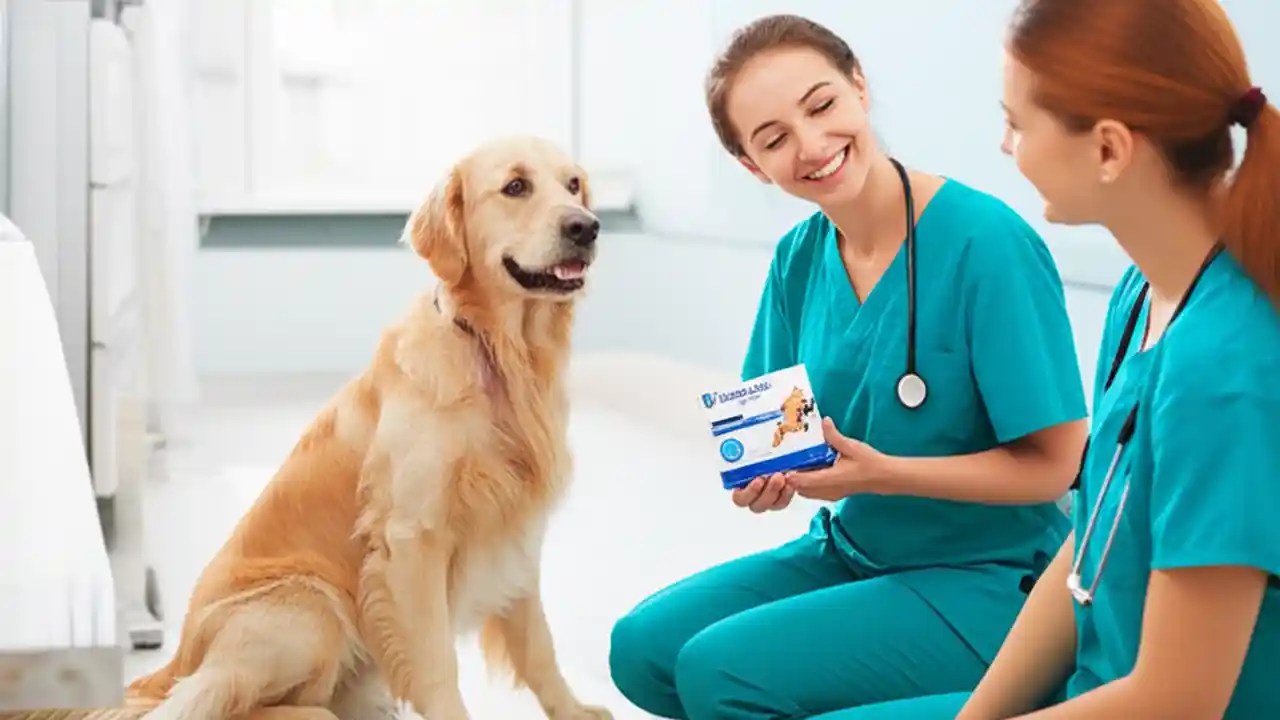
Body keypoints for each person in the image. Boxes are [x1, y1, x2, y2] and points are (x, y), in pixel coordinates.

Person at [607, 14, 1089, 719]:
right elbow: (769, 441)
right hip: (854, 550)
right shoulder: (797, 260)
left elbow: (1058, 465)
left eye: (822, 105)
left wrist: (885, 473)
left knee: (722, 674)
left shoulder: (986, 243)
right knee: (643, 649)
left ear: (859, 87)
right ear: (752, 166)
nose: (812, 145)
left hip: (992, 580)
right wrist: (769, 477)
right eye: (773, 139)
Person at [813, 0, 1280, 718]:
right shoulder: (1145, 291)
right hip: (1090, 683)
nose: (1006, 146)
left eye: (1018, 123)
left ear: (1109, 149)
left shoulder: (1224, 368)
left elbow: (1178, 699)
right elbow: (1087, 542)